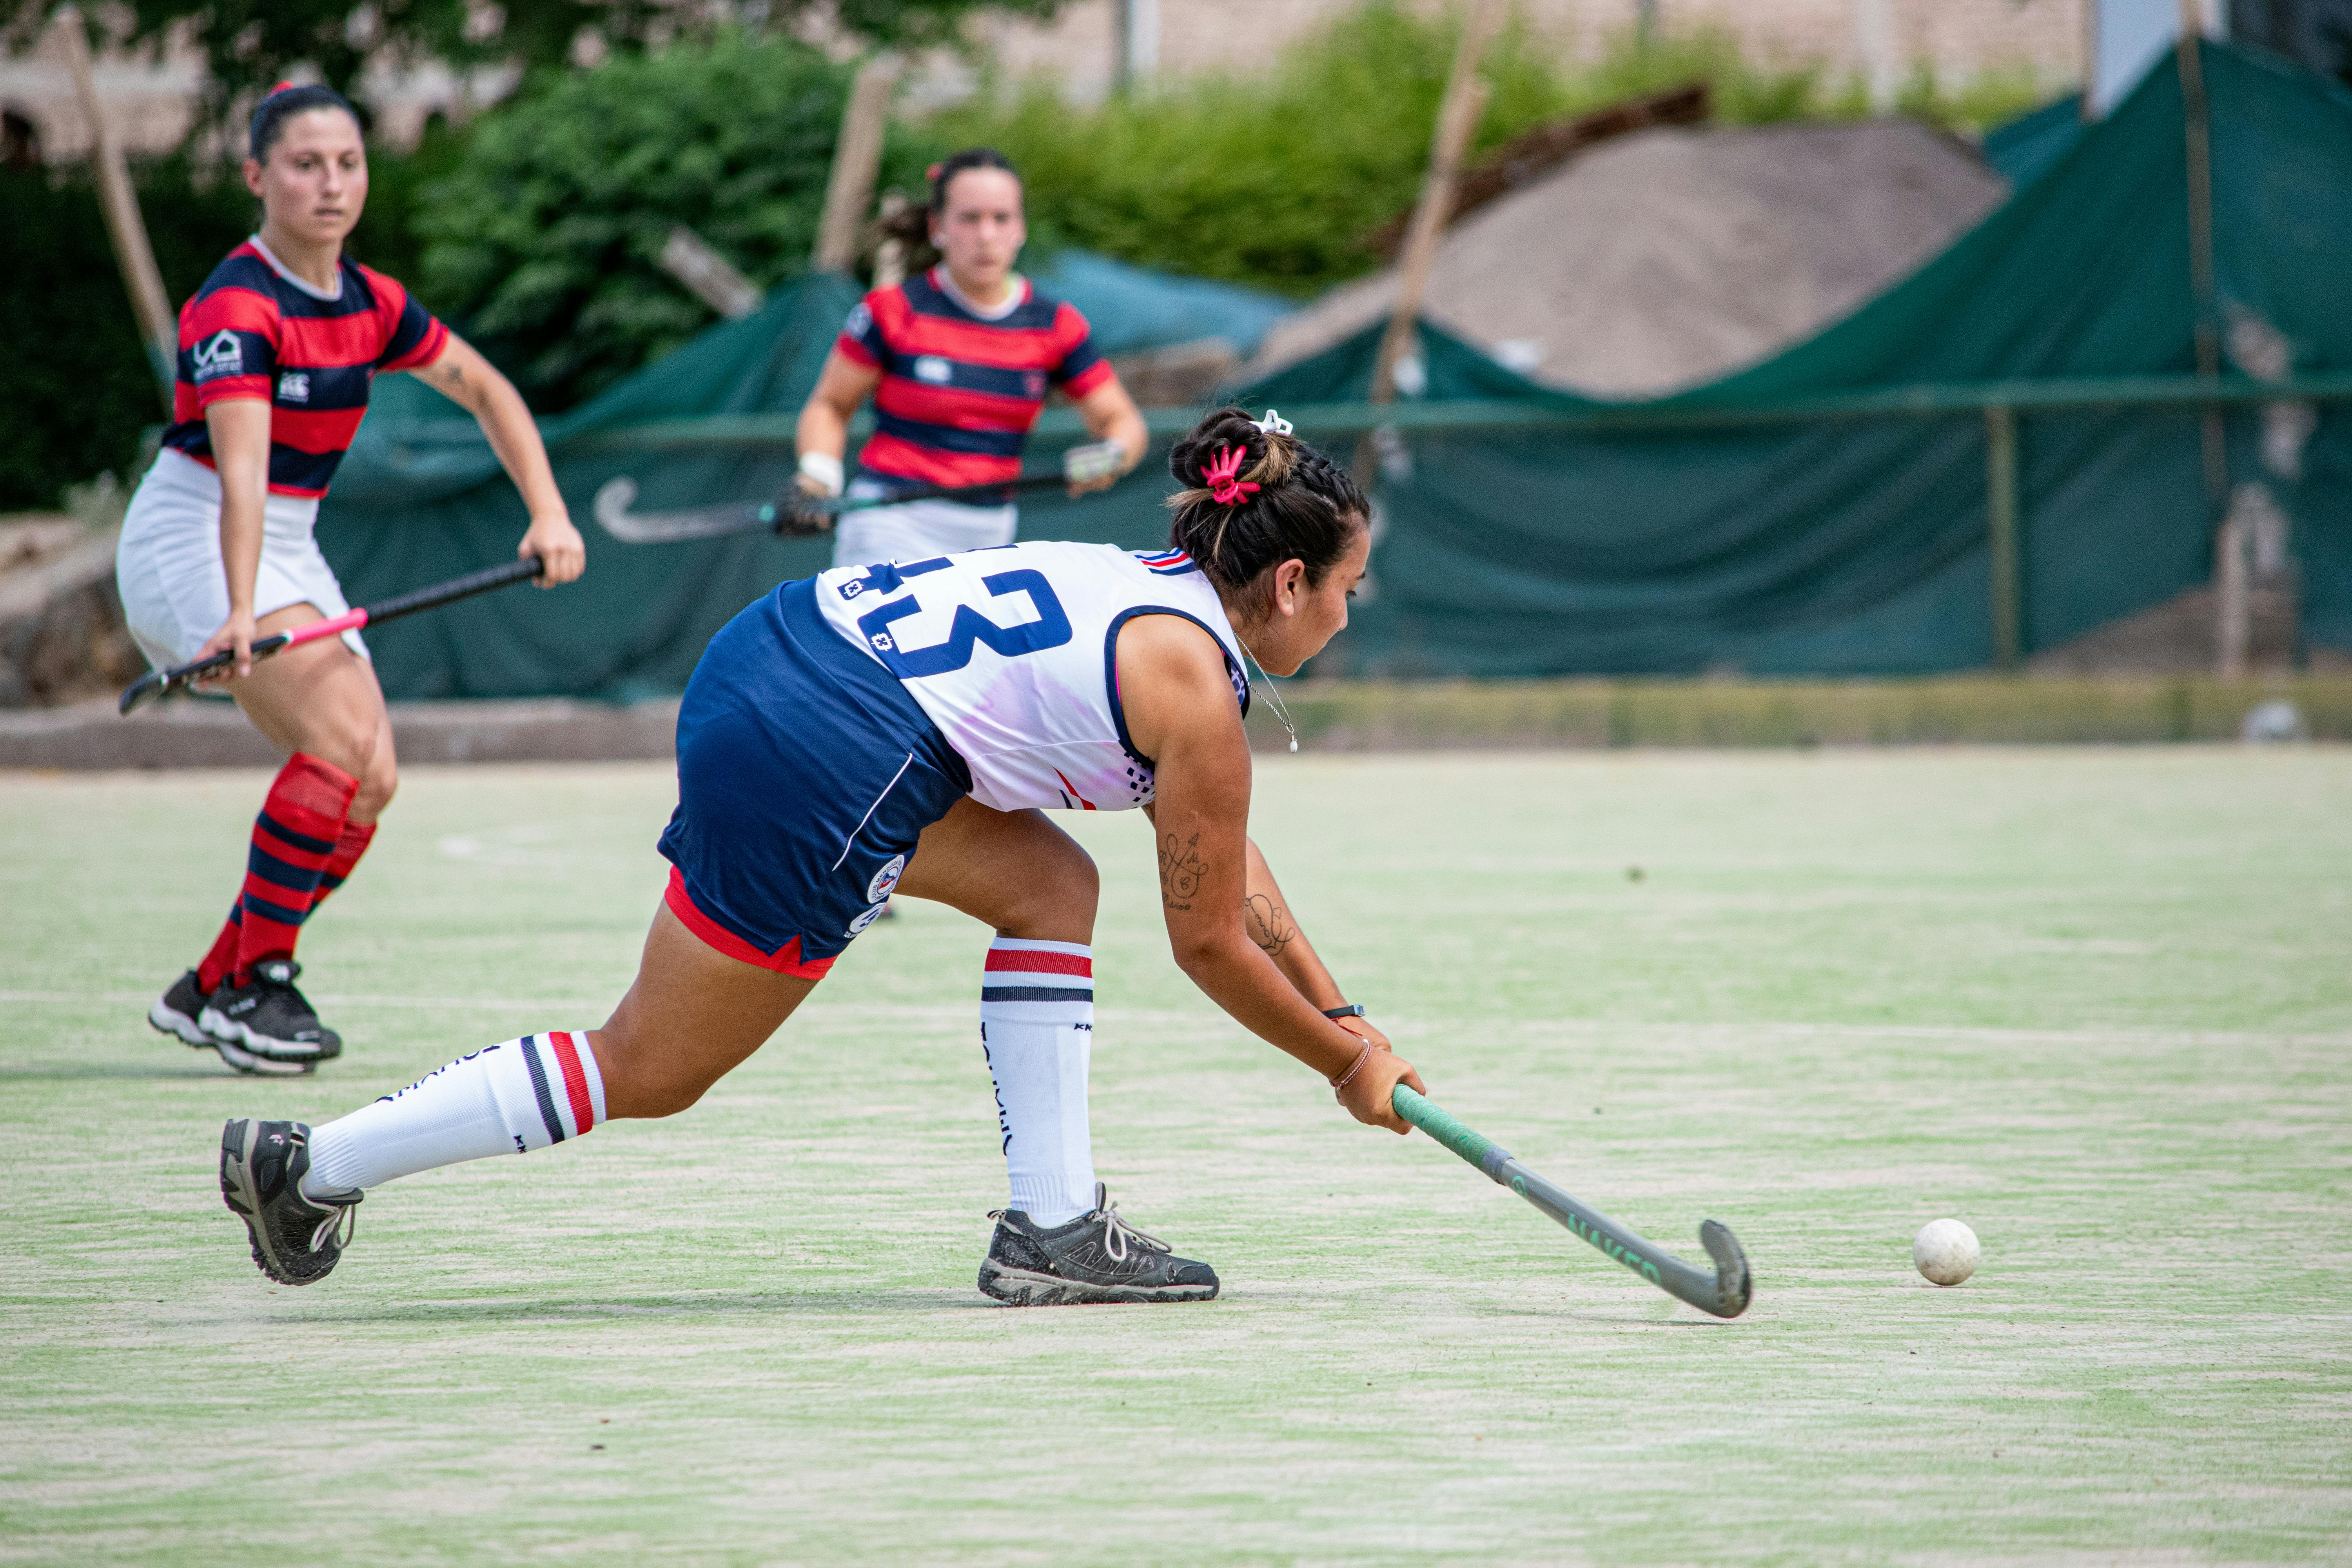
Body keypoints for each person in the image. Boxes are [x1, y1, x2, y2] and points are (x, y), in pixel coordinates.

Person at [216, 407, 1426, 1307]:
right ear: (1285, 581)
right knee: (650, 1062)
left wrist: (1345, 1016)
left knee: (1052, 885)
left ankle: (1051, 1227)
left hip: (778, 647)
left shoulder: (1148, 586)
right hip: (834, 748)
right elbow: (1207, 937)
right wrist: (1339, 1068)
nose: (1347, 613)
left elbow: (1229, 870)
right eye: (1347, 589)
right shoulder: (1200, 704)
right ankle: (313, 1164)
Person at [119, 82, 586, 1076]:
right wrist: (239, 613)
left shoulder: (372, 303)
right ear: (257, 177)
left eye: (348, 163)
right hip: (196, 528)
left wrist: (546, 509)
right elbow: (241, 470)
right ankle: (261, 982)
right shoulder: (236, 307)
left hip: (288, 532)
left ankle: (211, 983)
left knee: (371, 780)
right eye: (304, 164)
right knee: (334, 741)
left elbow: (488, 389)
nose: (331, 184)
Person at [794, 148, 1149, 569]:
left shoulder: (1057, 325)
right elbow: (832, 404)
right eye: (969, 218)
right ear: (937, 227)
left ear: (1020, 229)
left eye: (1001, 218)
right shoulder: (891, 311)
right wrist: (818, 475)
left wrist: (1110, 454)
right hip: (888, 524)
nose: (986, 235)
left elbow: (1123, 422)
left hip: (991, 539)